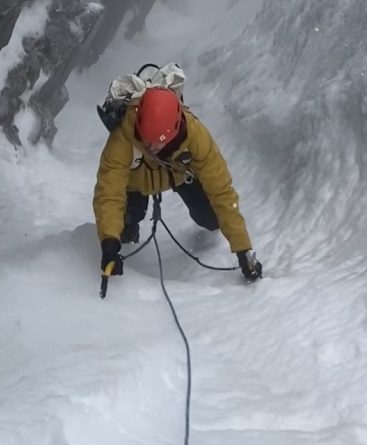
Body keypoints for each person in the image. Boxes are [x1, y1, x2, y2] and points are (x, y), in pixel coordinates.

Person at [93, 65, 263, 287]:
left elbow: (222, 192)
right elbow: (109, 191)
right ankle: (128, 229)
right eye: (146, 141)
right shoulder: (123, 137)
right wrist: (109, 242)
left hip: (179, 176)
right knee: (123, 230)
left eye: (157, 143)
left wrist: (243, 250)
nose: (150, 147)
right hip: (136, 184)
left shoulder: (196, 137)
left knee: (212, 219)